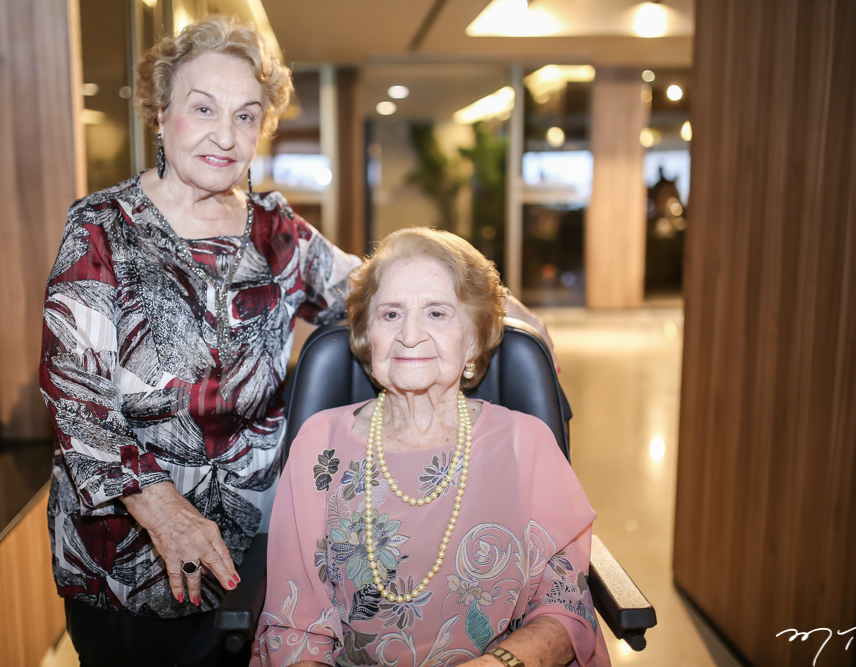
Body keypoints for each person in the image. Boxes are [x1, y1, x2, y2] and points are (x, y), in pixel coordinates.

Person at [38, 15, 360, 666]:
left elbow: (376, 294)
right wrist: (163, 510)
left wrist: (486, 298)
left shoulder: (278, 230)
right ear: (160, 113)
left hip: (257, 555)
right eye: (203, 108)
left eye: (246, 115)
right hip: (127, 563)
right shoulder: (100, 228)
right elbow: (77, 400)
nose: (225, 134)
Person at [253, 228, 609, 666]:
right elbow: (295, 625)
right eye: (390, 315)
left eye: (437, 313)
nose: (410, 334)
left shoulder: (527, 445)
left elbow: (564, 607)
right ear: (368, 336)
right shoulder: (318, 446)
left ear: (474, 339)